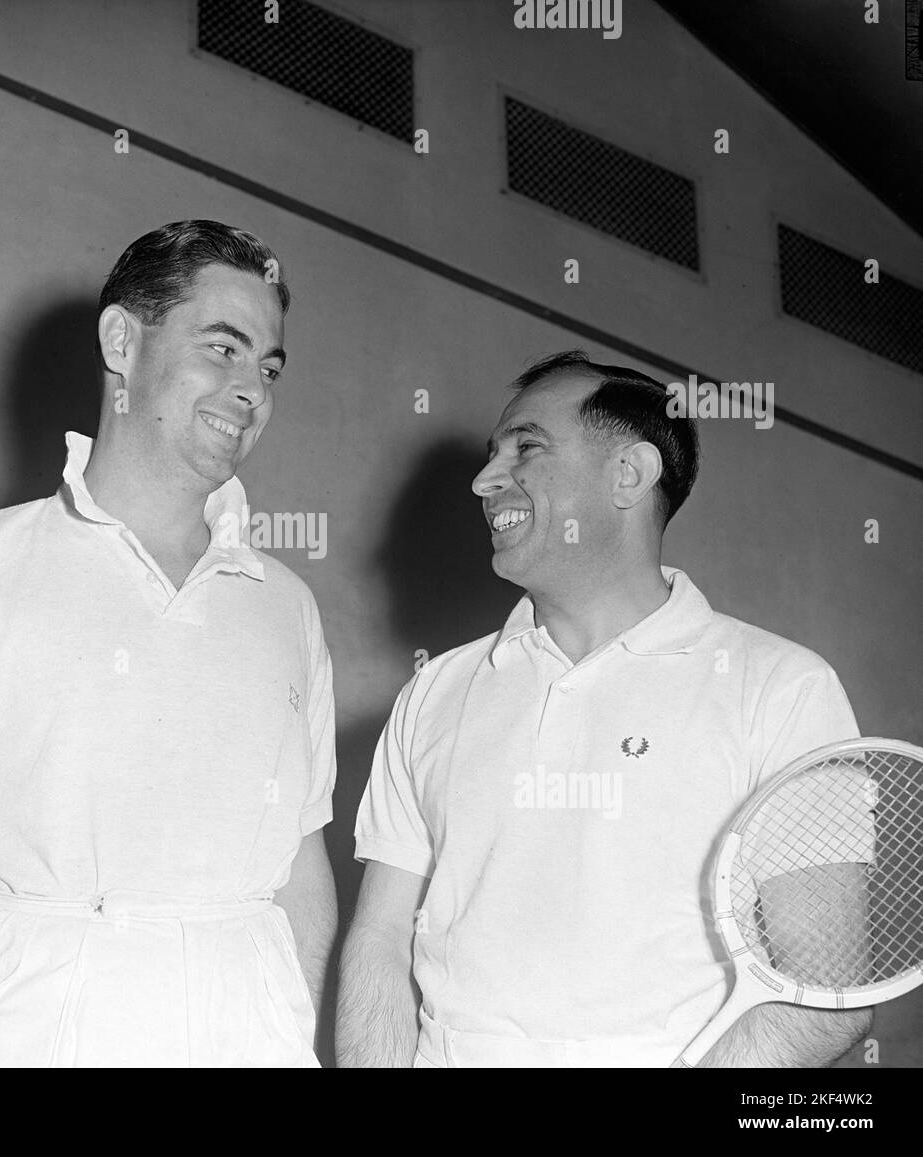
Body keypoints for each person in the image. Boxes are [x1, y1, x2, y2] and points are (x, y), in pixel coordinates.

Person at [0, 221, 337, 1067]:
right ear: (123, 339)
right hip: (23, 1031)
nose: (252, 391)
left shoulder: (289, 608)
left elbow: (302, 884)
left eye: (268, 368)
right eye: (222, 349)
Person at [337, 350, 868, 1067]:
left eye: (526, 447)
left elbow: (827, 995)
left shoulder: (782, 689)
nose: (485, 479)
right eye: (493, 453)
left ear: (629, 474)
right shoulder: (433, 693)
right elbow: (378, 944)